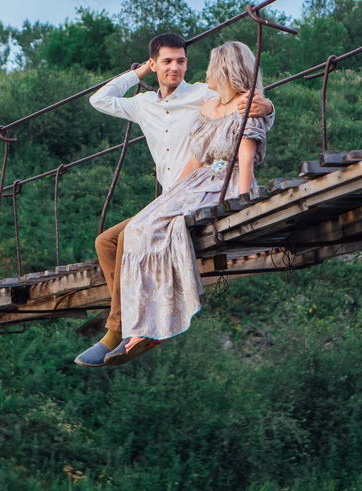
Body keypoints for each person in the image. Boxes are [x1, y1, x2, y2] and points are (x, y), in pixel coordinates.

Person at [75, 34, 273, 368]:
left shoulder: (203, 93)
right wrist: (136, 74)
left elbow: (245, 101)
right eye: (166, 61)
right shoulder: (143, 104)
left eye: (181, 60)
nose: (175, 68)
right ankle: (127, 321)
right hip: (177, 191)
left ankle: (121, 329)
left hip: (201, 191)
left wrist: (267, 106)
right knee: (105, 242)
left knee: (130, 235)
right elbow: (100, 99)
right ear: (154, 64)